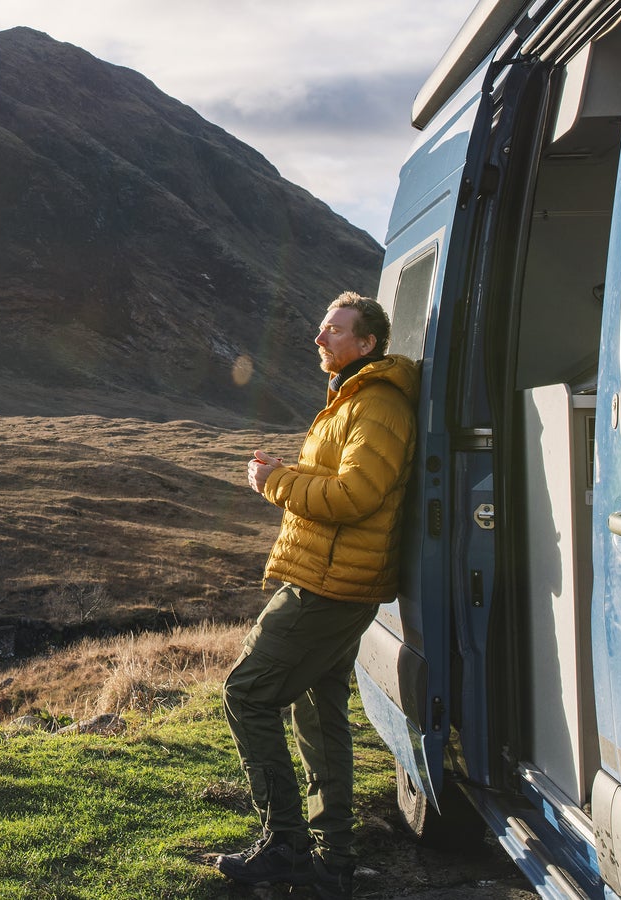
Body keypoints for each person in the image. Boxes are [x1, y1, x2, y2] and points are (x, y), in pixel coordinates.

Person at [215, 292, 419, 900]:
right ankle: (333, 860)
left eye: (334, 330)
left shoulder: (377, 405)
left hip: (329, 586)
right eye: (321, 328)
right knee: (318, 712)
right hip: (335, 581)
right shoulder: (352, 399)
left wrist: (274, 481)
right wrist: (289, 474)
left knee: (247, 694)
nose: (320, 339)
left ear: (367, 343)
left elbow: (356, 496)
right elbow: (341, 482)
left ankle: (284, 845)